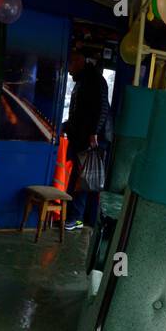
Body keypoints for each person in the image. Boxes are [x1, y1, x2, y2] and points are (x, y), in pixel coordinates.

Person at [63, 54, 109, 232]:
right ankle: (79, 217)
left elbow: (101, 107)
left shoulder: (93, 80)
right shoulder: (84, 80)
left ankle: (75, 218)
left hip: (91, 138)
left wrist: (94, 133)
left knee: (83, 179)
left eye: (70, 64)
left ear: (79, 61)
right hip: (84, 136)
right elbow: (79, 112)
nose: (69, 69)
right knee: (83, 178)